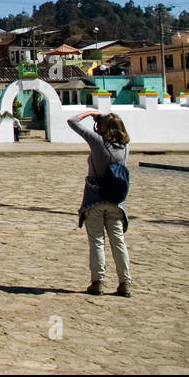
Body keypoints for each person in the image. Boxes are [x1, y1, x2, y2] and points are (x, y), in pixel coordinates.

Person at [70, 110, 132, 296]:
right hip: (116, 201)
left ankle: (98, 281)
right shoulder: (125, 146)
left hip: (94, 199)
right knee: (118, 242)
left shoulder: (98, 143)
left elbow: (72, 121)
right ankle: (125, 283)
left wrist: (91, 114)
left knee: (97, 241)